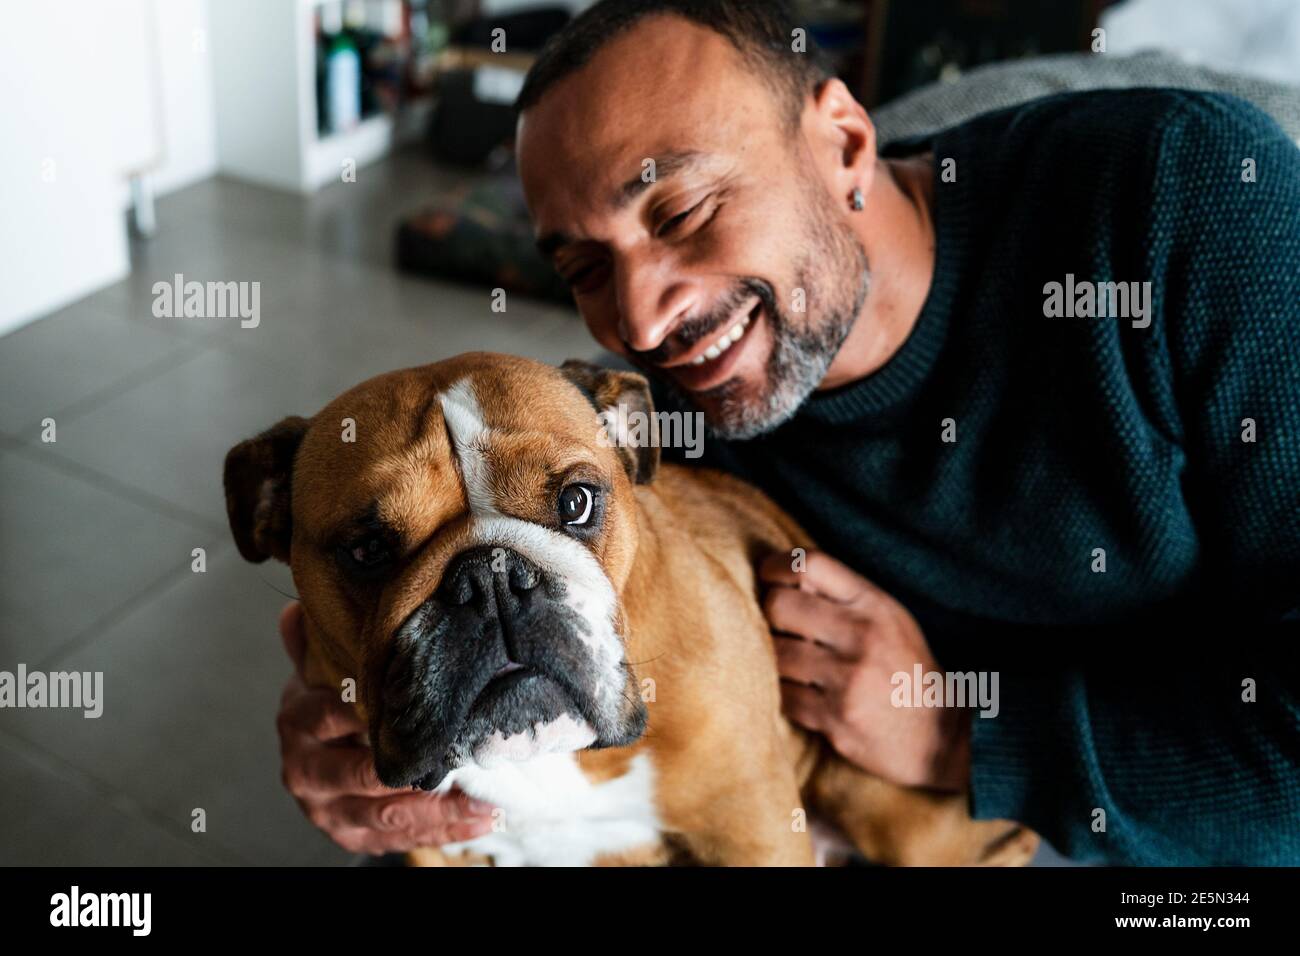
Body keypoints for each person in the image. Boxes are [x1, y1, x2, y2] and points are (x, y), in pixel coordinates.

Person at [277, 0, 1300, 864]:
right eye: (585, 267)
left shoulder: (1187, 204)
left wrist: (962, 730)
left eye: (679, 211)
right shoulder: (654, 428)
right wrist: (344, 719)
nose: (640, 319)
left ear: (847, 144)